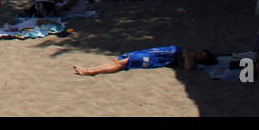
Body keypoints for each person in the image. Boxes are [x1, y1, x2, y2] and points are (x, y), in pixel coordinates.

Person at [74, 46, 217, 76]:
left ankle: (90, 71)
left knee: (123, 64)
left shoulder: (187, 58)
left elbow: (188, 68)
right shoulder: (185, 52)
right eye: (200, 52)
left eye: (201, 55)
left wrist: (188, 57)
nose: (198, 53)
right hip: (149, 52)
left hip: (151, 58)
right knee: (117, 60)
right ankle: (91, 70)